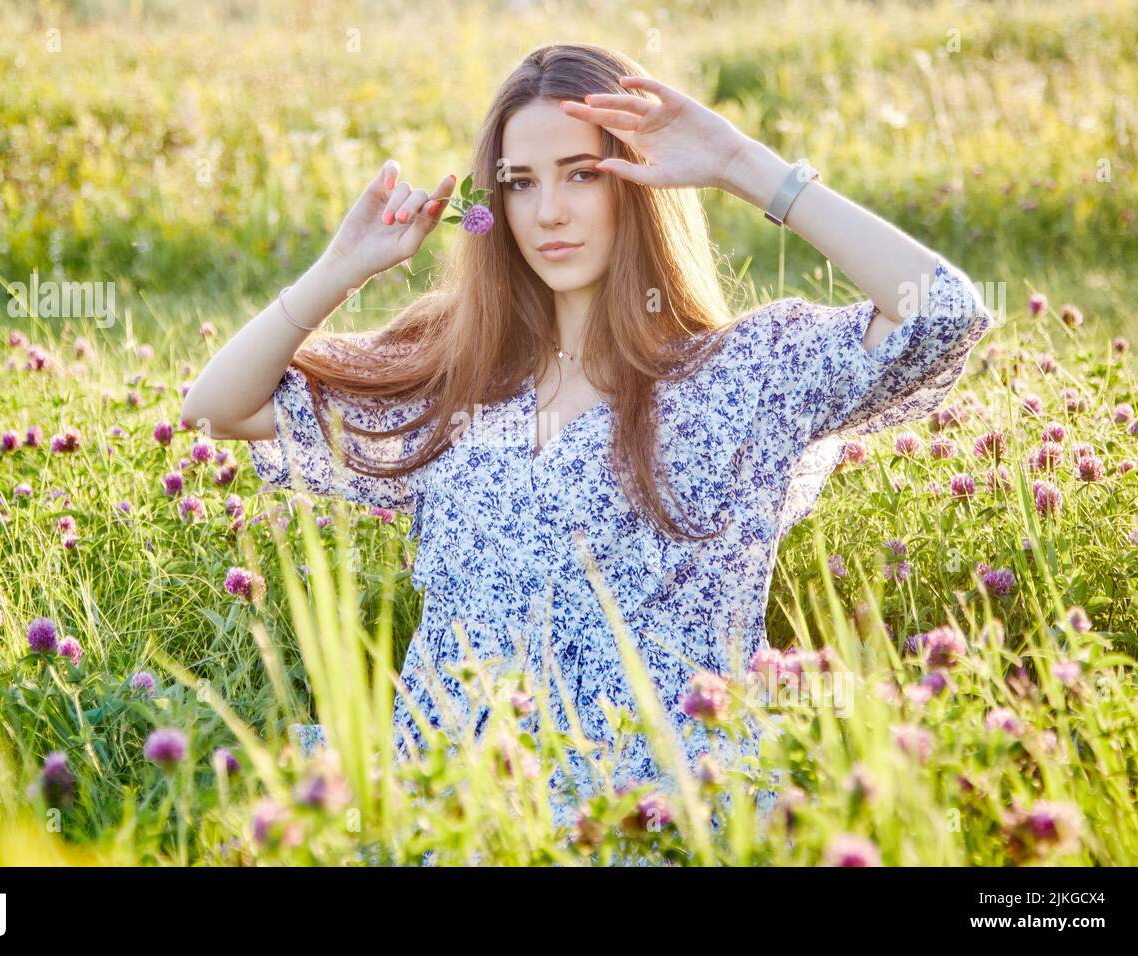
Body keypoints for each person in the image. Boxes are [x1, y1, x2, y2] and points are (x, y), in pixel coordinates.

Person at [181, 42, 994, 834]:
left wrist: (741, 164)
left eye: (582, 174)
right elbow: (217, 408)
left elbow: (944, 310)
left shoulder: (738, 374)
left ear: (639, 185)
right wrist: (339, 268)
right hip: (447, 797)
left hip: (652, 803)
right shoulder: (455, 379)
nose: (549, 212)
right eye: (521, 183)